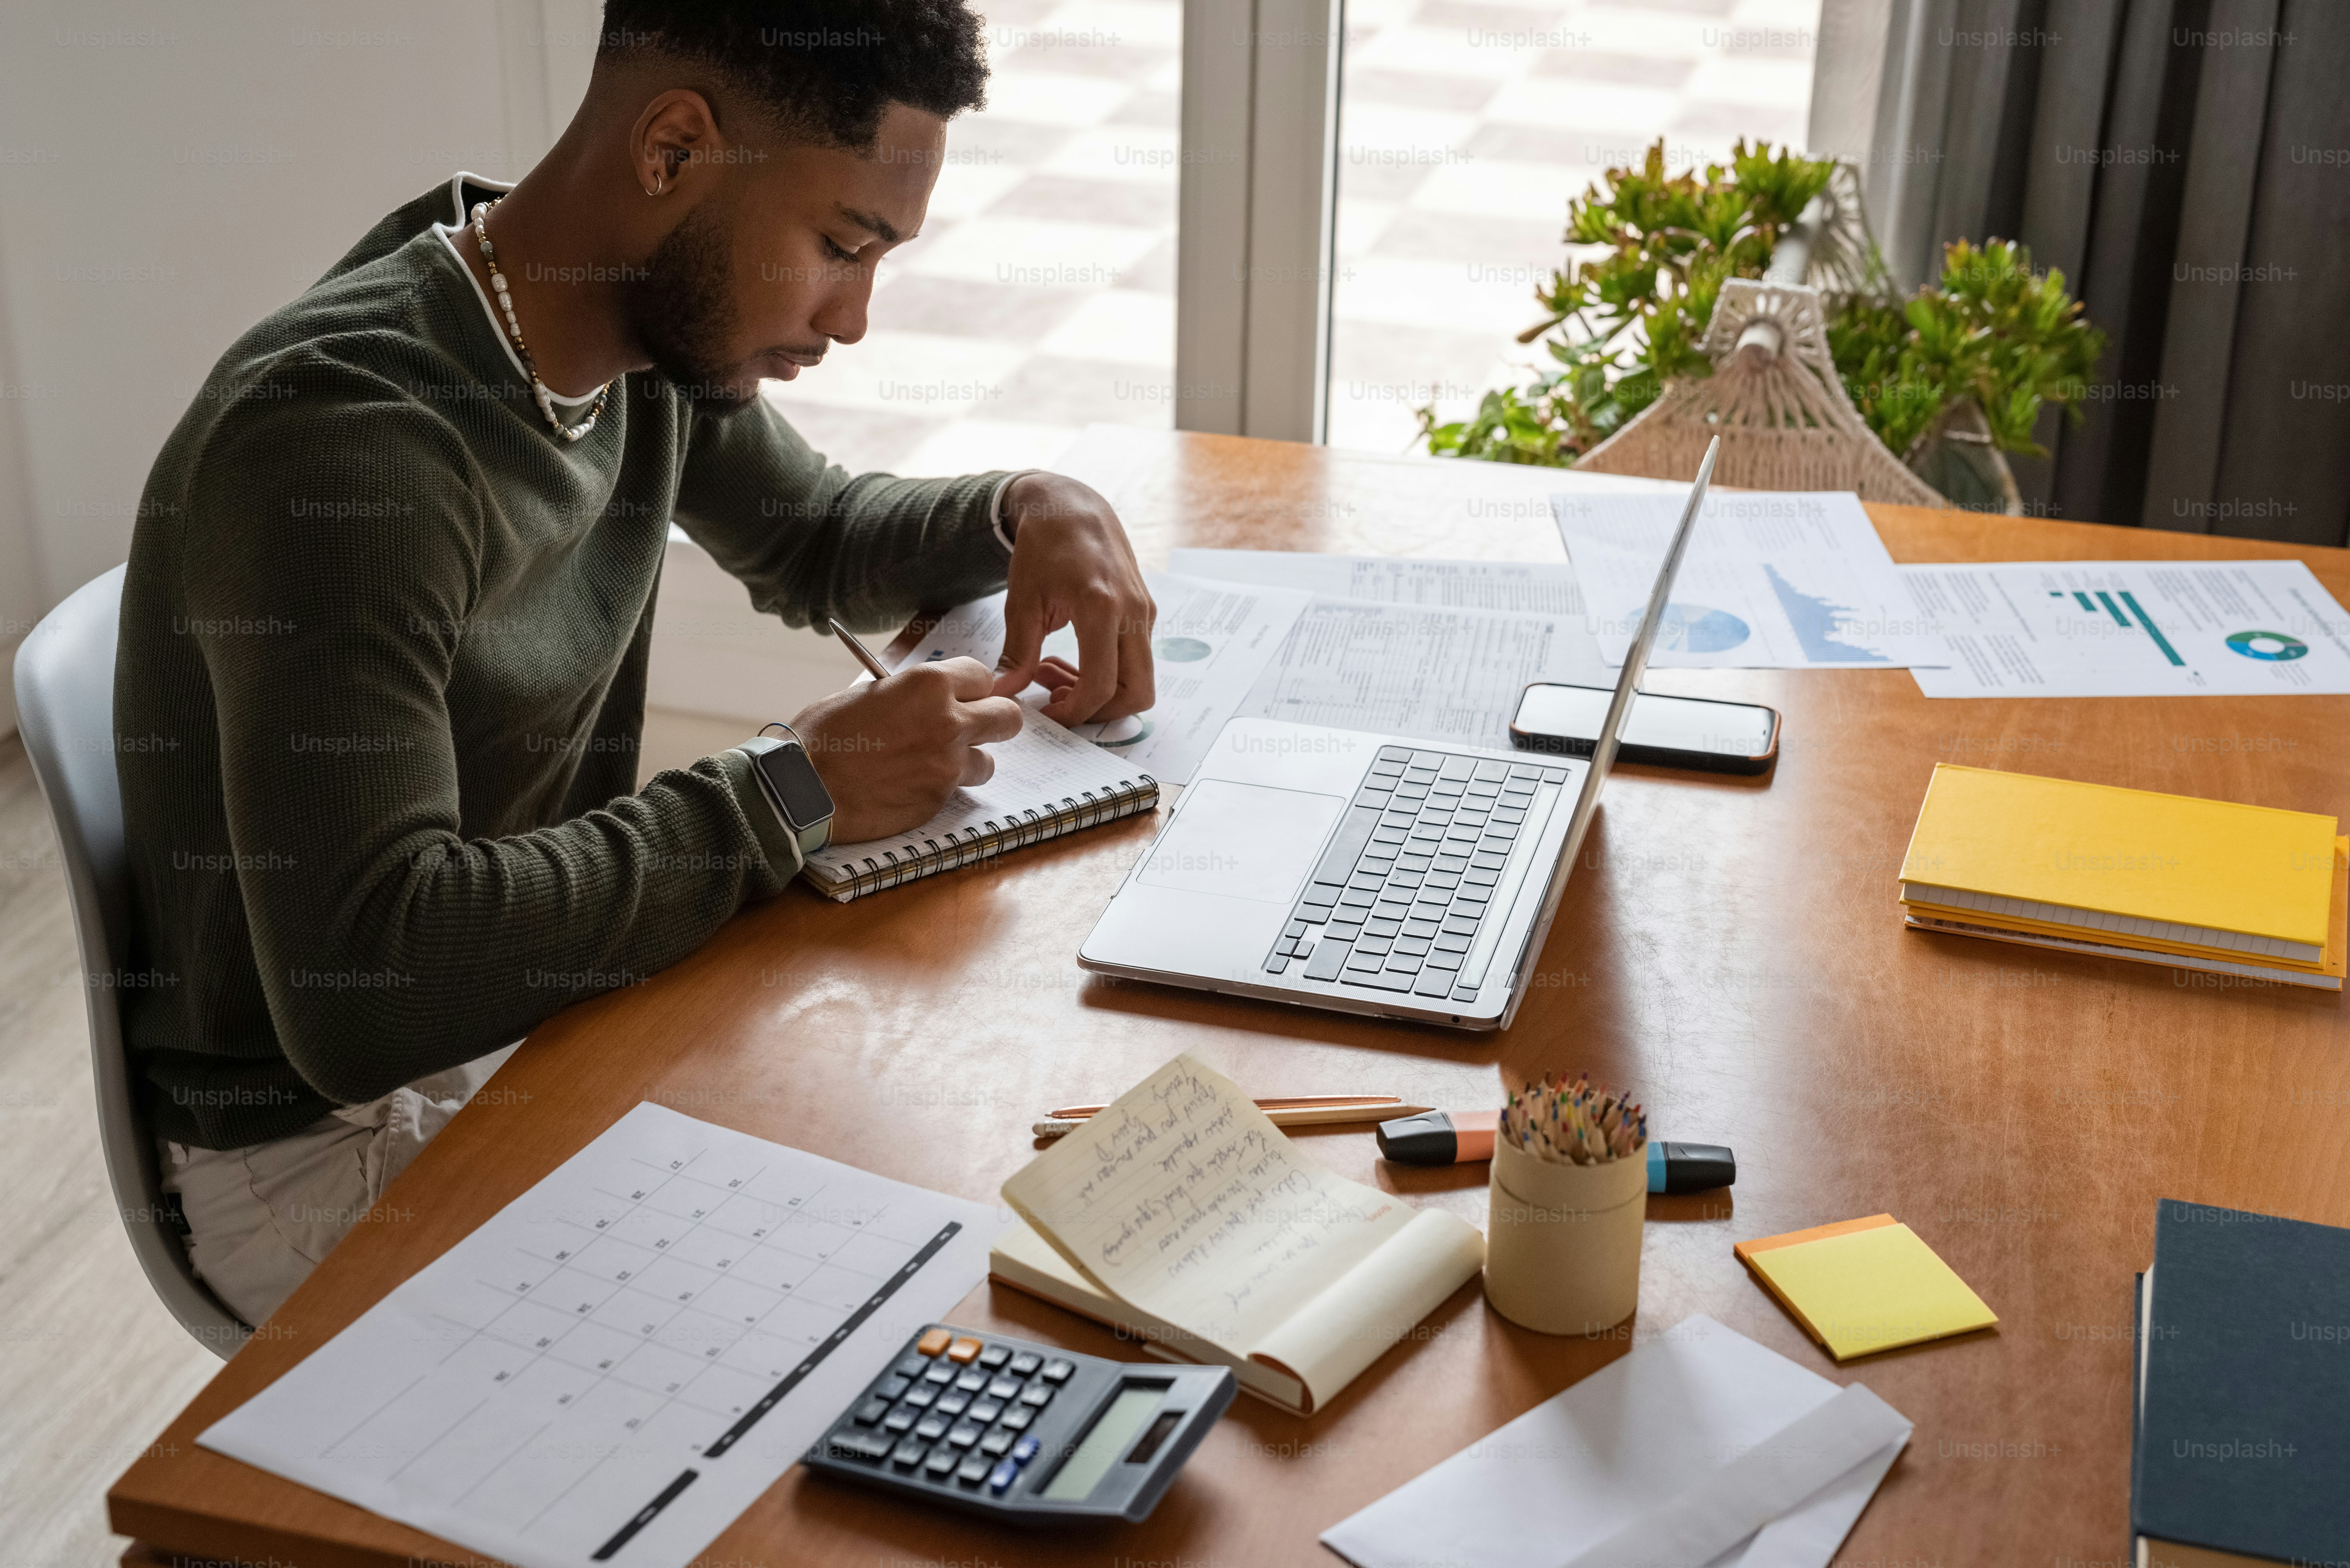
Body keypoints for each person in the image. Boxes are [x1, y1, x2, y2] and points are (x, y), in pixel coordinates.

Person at [113, 0, 1155, 1326]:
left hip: (506, 1023)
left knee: (942, 1196)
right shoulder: (345, 449)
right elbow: (367, 988)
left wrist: (1023, 506)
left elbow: (822, 537)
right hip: (309, 1149)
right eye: (840, 246)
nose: (855, 319)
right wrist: (790, 787)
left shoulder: (620, 333)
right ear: (672, 152)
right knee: (887, 1325)